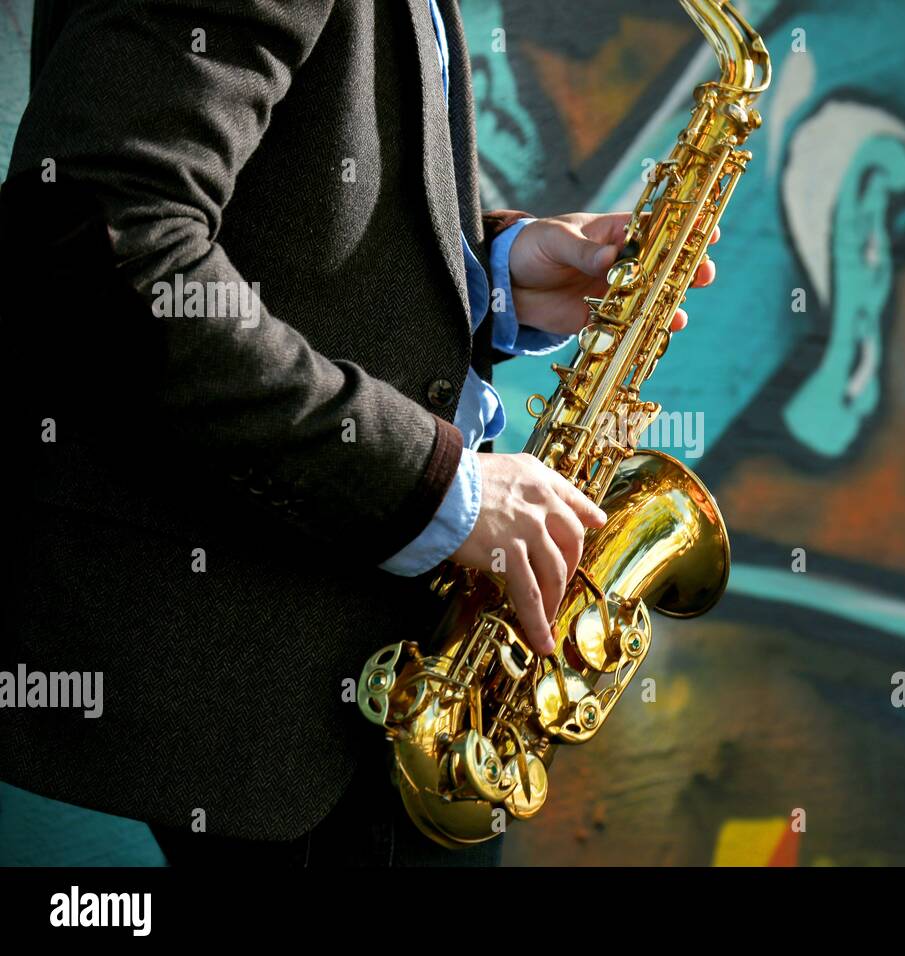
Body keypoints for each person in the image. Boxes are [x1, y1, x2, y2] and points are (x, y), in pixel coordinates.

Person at [0, 0, 715, 866]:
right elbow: (106, 246)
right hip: (276, 689)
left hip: (393, 675)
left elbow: (290, 218)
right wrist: (437, 486)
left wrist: (490, 273)